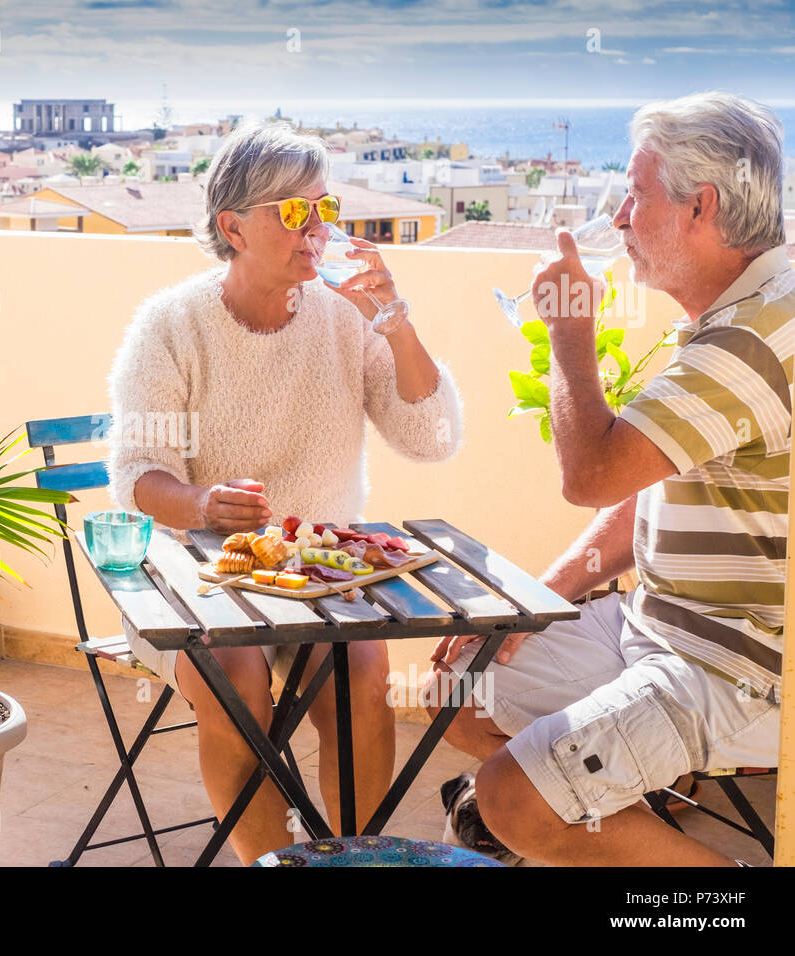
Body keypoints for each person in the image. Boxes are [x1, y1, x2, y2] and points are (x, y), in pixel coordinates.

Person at [426, 91, 792, 866]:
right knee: (455, 685)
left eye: (636, 194)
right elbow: (643, 489)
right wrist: (539, 600)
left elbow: (591, 474)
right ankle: (607, 809)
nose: (620, 217)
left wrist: (567, 334)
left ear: (702, 207)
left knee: (510, 797)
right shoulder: (736, 315)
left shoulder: (754, 342)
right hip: (657, 624)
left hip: (736, 664)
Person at [107, 120, 462, 864]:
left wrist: (395, 324)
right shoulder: (170, 324)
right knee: (237, 688)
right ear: (233, 227)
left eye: (324, 210)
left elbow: (431, 439)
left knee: (361, 684)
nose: (317, 230)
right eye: (295, 212)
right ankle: (268, 862)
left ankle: (351, 860)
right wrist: (203, 507)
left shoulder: (346, 315)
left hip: (322, 573)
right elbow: (137, 477)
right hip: (202, 574)